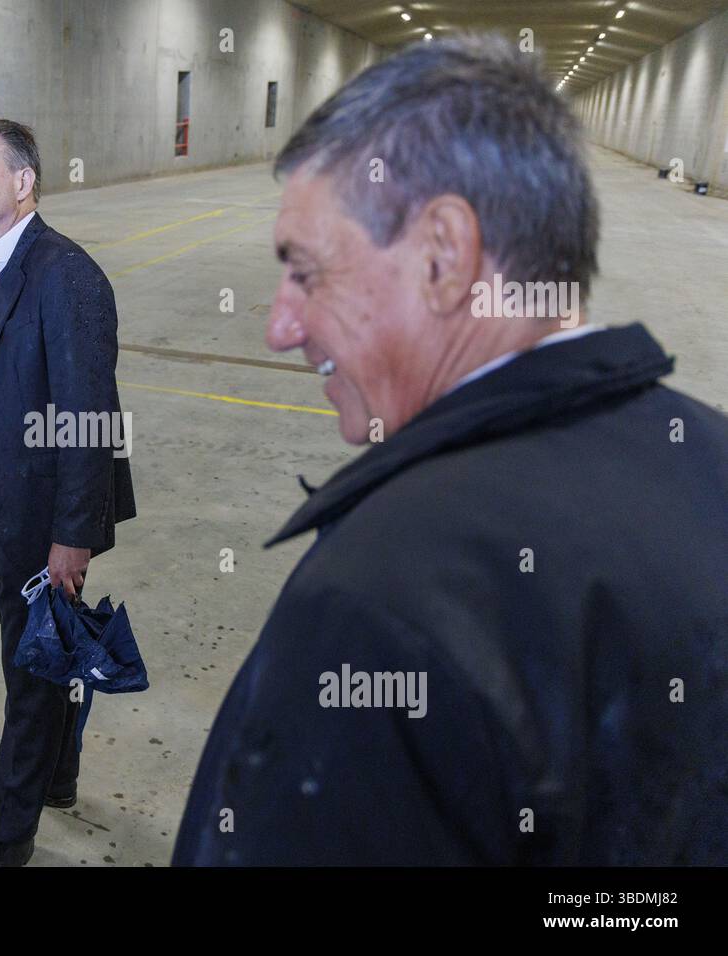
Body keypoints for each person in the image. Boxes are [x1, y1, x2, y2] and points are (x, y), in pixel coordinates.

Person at [172, 34, 728, 866]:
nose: (280, 326)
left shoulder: (383, 603)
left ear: (442, 255)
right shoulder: (708, 458)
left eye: (305, 270)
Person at [0, 118, 135, 866]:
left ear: (24, 183)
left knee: (31, 669)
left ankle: (11, 838)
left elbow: (89, 416)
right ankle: (53, 775)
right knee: (40, 654)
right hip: (0, 505)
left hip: (48, 517)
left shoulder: (65, 274)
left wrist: (74, 536)